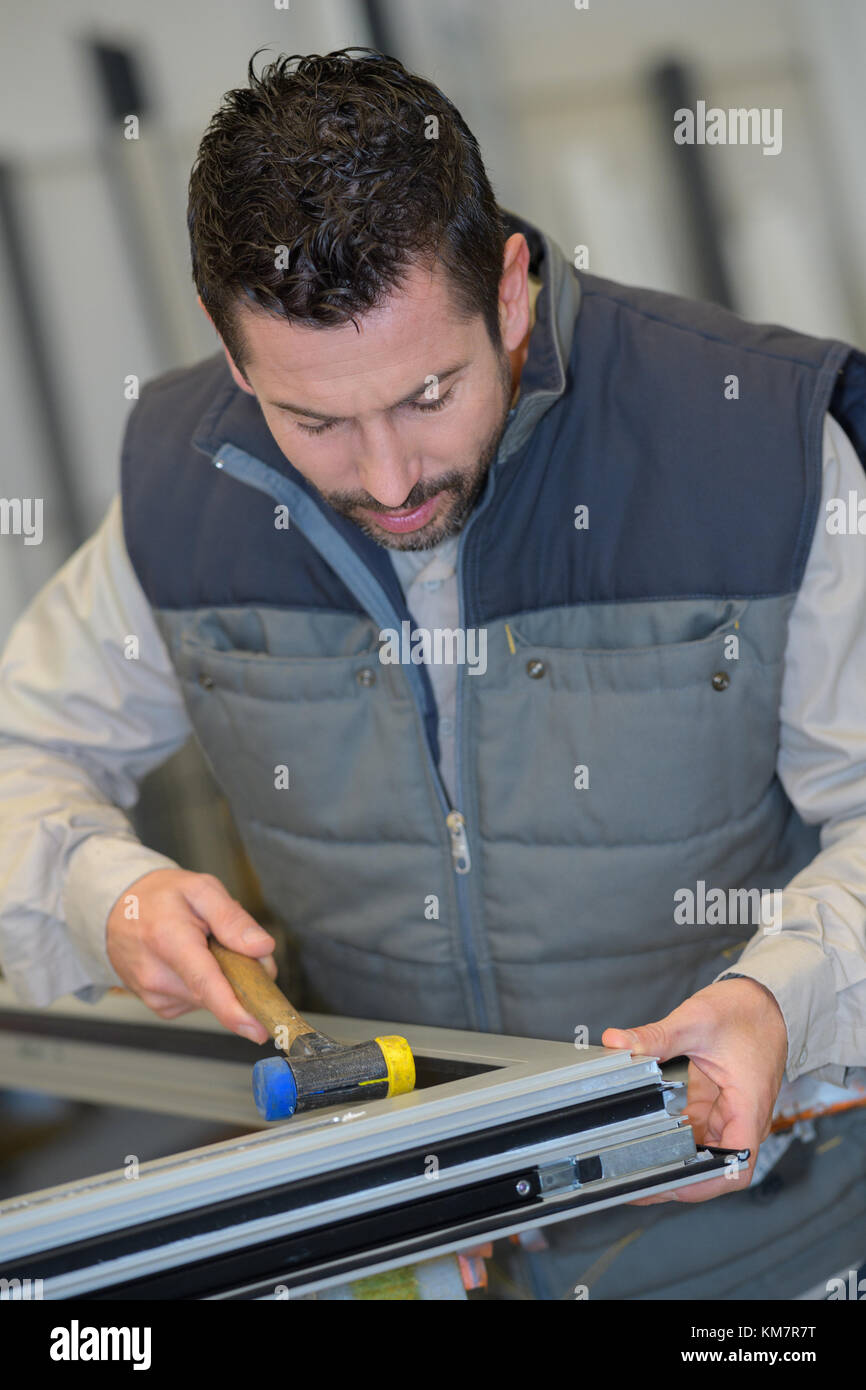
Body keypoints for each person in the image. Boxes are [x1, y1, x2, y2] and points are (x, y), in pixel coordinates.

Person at [1, 47, 865, 1300]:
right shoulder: (182, 494)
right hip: (413, 1259)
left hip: (778, 1254)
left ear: (509, 291)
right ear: (229, 350)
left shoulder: (764, 448)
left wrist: (783, 1000)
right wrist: (100, 888)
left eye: (427, 393)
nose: (389, 478)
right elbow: (19, 753)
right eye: (313, 422)